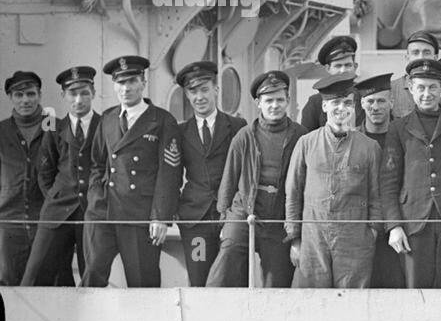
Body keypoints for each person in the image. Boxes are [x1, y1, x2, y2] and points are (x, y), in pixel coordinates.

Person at [84, 56, 183, 287]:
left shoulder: (161, 120)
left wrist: (160, 216)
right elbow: (97, 164)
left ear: (143, 83)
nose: (126, 88)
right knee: (91, 276)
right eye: (120, 83)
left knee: (142, 283)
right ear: (114, 86)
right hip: (104, 212)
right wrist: (94, 199)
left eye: (131, 81)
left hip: (140, 215)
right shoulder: (107, 118)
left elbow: (169, 174)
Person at [206, 70, 305, 287]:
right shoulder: (244, 136)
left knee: (277, 281)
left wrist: (297, 230)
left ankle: (272, 320)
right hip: (244, 211)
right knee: (226, 263)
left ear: (288, 101)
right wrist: (224, 218)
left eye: (280, 100)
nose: (274, 105)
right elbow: (229, 178)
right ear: (258, 103)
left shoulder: (300, 136)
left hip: (279, 218)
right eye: (268, 100)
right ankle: (215, 314)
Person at [381, 58, 441, 289]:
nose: (426, 93)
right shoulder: (398, 128)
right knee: (416, 290)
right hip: (413, 221)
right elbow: (389, 181)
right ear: (410, 88)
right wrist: (394, 226)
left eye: (432, 87)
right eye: (420, 87)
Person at [286, 75, 383, 288]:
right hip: (313, 238)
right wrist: (295, 238)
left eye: (347, 103)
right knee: (311, 299)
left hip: (355, 240)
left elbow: (377, 195)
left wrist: (372, 232)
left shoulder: (369, 147)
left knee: (351, 302)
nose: (341, 108)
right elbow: (293, 192)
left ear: (354, 107)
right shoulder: (306, 143)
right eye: (335, 103)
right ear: (324, 106)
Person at [22, 66, 98, 285]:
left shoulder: (105, 125)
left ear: (92, 93)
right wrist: (55, 197)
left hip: (92, 212)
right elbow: (44, 172)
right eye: (72, 93)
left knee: (91, 277)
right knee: (34, 277)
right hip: (57, 211)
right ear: (64, 96)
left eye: (84, 92)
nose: (79, 99)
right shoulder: (54, 127)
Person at [175, 61, 246, 286]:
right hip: (196, 219)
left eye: (204, 89)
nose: (199, 97)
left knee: (234, 280)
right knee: (200, 280)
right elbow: (171, 174)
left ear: (215, 90)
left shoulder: (237, 126)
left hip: (231, 217)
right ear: (187, 95)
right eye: (193, 92)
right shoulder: (180, 131)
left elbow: (244, 173)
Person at [356, 73, 404, 288]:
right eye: (370, 101)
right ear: (362, 104)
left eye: (382, 101)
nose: (376, 107)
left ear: (391, 102)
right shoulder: (353, 139)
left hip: (399, 224)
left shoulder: (405, 134)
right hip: (363, 226)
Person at [1, 71, 48, 285]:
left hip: (46, 224)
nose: (25, 100)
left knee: (47, 285)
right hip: (7, 225)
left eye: (30, 94)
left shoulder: (55, 128)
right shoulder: (1, 131)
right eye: (18, 95)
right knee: (7, 284)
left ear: (39, 95)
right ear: (10, 98)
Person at [300, 35, 363, 130]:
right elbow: (308, 140)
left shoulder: (366, 97)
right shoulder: (315, 103)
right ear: (328, 69)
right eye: (338, 66)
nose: (343, 70)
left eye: (348, 65)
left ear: (355, 67)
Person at [389, 29, 440, 117]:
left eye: (426, 53)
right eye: (415, 53)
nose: (421, 57)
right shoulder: (391, 89)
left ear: (435, 58)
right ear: (407, 58)